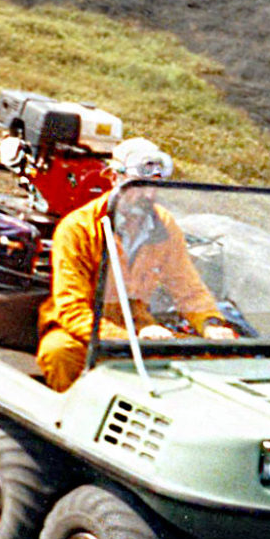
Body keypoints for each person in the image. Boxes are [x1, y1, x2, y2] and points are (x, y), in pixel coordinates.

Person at [36, 138, 237, 392]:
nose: (149, 195)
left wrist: (211, 324)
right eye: (140, 186)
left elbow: (189, 288)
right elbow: (72, 308)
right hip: (83, 329)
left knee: (210, 358)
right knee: (59, 353)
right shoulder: (77, 228)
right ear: (114, 178)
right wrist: (129, 339)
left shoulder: (164, 225)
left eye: (155, 186)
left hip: (139, 323)